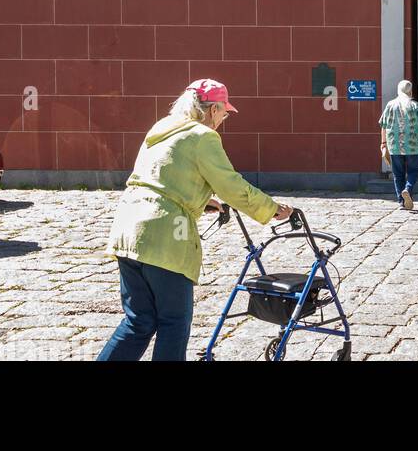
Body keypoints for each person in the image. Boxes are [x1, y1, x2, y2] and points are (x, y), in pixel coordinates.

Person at [98, 78, 292, 361]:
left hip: (129, 228)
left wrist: (203, 201)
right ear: (213, 109)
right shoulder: (203, 136)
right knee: (174, 322)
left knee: (138, 321)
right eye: (224, 114)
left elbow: (162, 178)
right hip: (165, 236)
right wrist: (271, 208)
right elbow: (232, 186)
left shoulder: (162, 128)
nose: (223, 120)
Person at [378, 79, 418, 210]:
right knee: (414, 171)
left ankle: (401, 201)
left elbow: (383, 125)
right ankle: (408, 188)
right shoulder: (415, 106)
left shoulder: (390, 105)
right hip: (412, 144)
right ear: (410, 91)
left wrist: (383, 142)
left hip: (394, 145)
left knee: (398, 173)